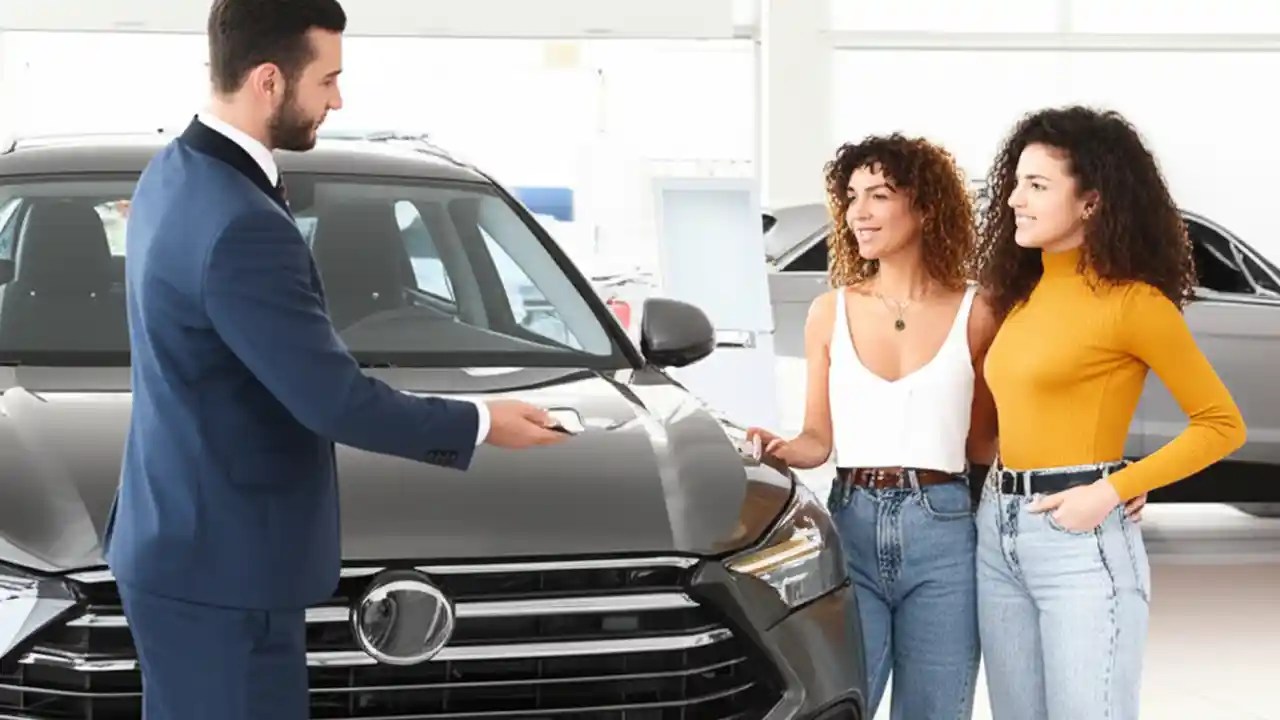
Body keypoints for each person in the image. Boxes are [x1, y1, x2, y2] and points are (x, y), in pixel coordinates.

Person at [101, 1, 567, 718]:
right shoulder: (240, 221)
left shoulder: (174, 173)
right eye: (327, 80)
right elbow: (332, 400)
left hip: (182, 544)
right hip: (227, 570)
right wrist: (482, 421)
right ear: (267, 80)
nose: (338, 100)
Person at [974, 105, 1247, 720]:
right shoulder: (1022, 294)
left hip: (1080, 541)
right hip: (998, 530)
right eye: (1015, 182)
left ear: (1091, 202)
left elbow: (1222, 424)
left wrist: (1113, 489)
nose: (1015, 198)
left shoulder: (1136, 304)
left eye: (1038, 185)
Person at [748, 133, 1000, 719]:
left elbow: (986, 442)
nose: (859, 211)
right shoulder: (829, 311)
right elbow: (818, 440)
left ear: (926, 207)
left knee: (936, 712)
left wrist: (1100, 474)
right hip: (851, 523)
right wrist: (782, 448)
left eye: (879, 194)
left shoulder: (978, 311)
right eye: (852, 196)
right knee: (843, 704)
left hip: (946, 528)